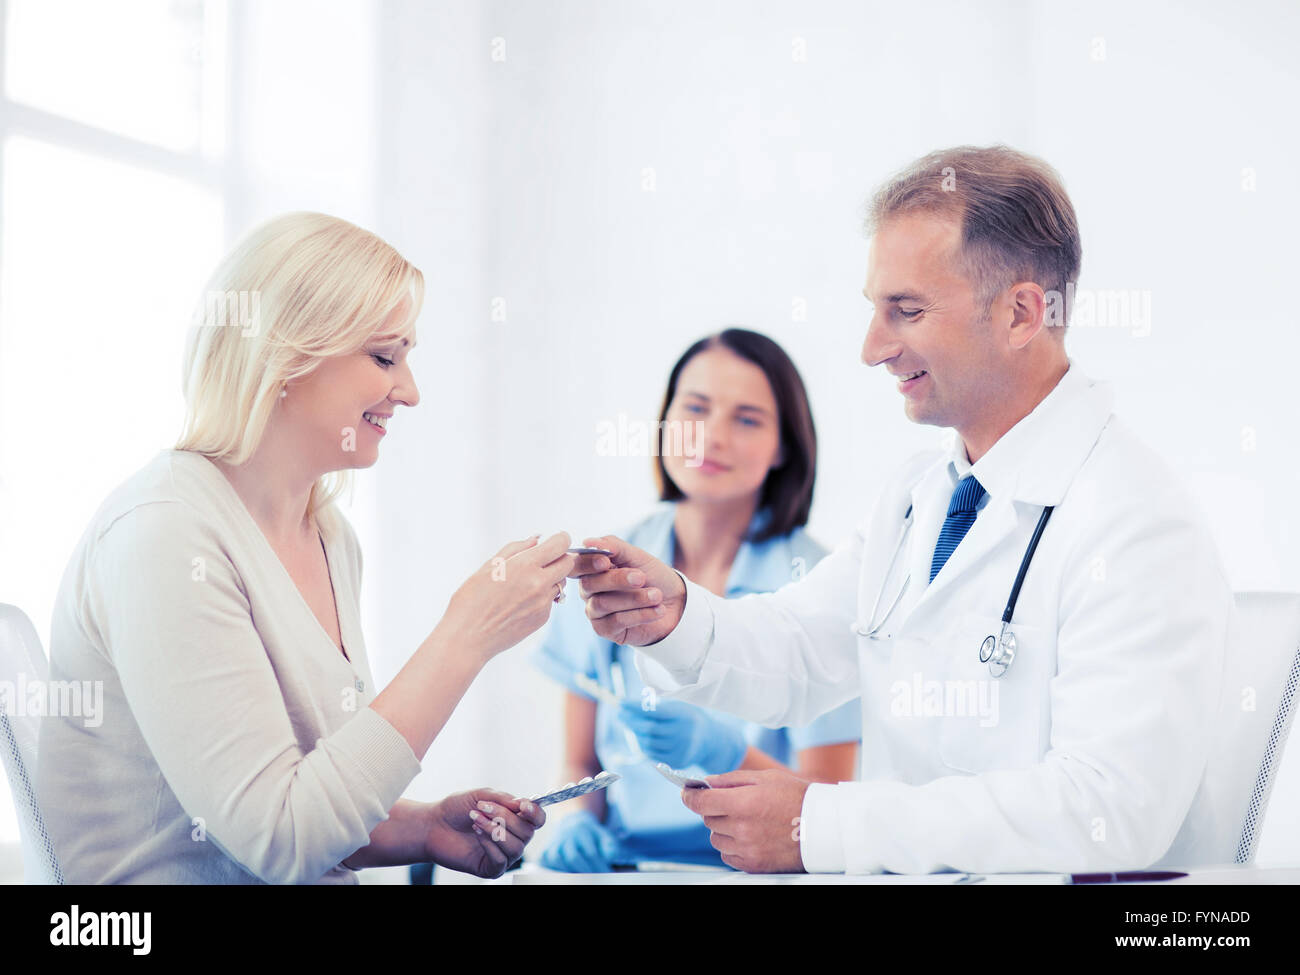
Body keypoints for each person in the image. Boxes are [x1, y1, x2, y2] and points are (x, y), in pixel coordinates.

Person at [568, 145, 1232, 874]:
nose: (872, 348)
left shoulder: (1134, 520)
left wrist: (822, 826)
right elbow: (796, 650)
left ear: (1020, 313)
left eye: (905, 311)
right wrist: (675, 616)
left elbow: (1109, 810)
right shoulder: (923, 497)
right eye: (874, 311)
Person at [36, 212, 569, 883]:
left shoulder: (328, 533)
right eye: (385, 356)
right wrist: (466, 636)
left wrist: (424, 827)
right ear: (283, 358)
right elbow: (281, 840)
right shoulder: (163, 532)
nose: (409, 390)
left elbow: (309, 797)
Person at [533, 329, 860, 871]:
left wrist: (723, 751)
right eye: (696, 408)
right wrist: (575, 820)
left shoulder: (825, 585)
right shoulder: (602, 568)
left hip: (766, 871)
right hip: (625, 864)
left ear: (785, 446)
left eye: (747, 418)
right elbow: (578, 759)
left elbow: (827, 809)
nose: (712, 437)